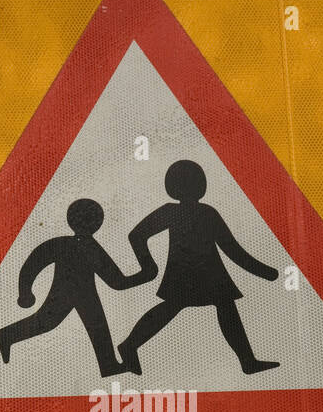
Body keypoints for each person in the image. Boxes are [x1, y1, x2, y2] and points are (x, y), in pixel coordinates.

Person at [117, 160, 281, 375]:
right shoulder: (203, 212)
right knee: (208, 306)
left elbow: (231, 248)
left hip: (197, 271)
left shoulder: (182, 212)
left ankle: (247, 361)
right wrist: (264, 272)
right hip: (199, 271)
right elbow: (232, 249)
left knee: (216, 306)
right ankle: (130, 345)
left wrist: (148, 265)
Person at [0, 198, 144, 377]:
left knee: (93, 326)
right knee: (54, 322)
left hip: (82, 294)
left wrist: (25, 292)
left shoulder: (64, 243)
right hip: (70, 294)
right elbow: (117, 282)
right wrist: (146, 274)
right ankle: (6, 335)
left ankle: (109, 364)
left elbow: (33, 263)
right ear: (99, 222)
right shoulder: (89, 247)